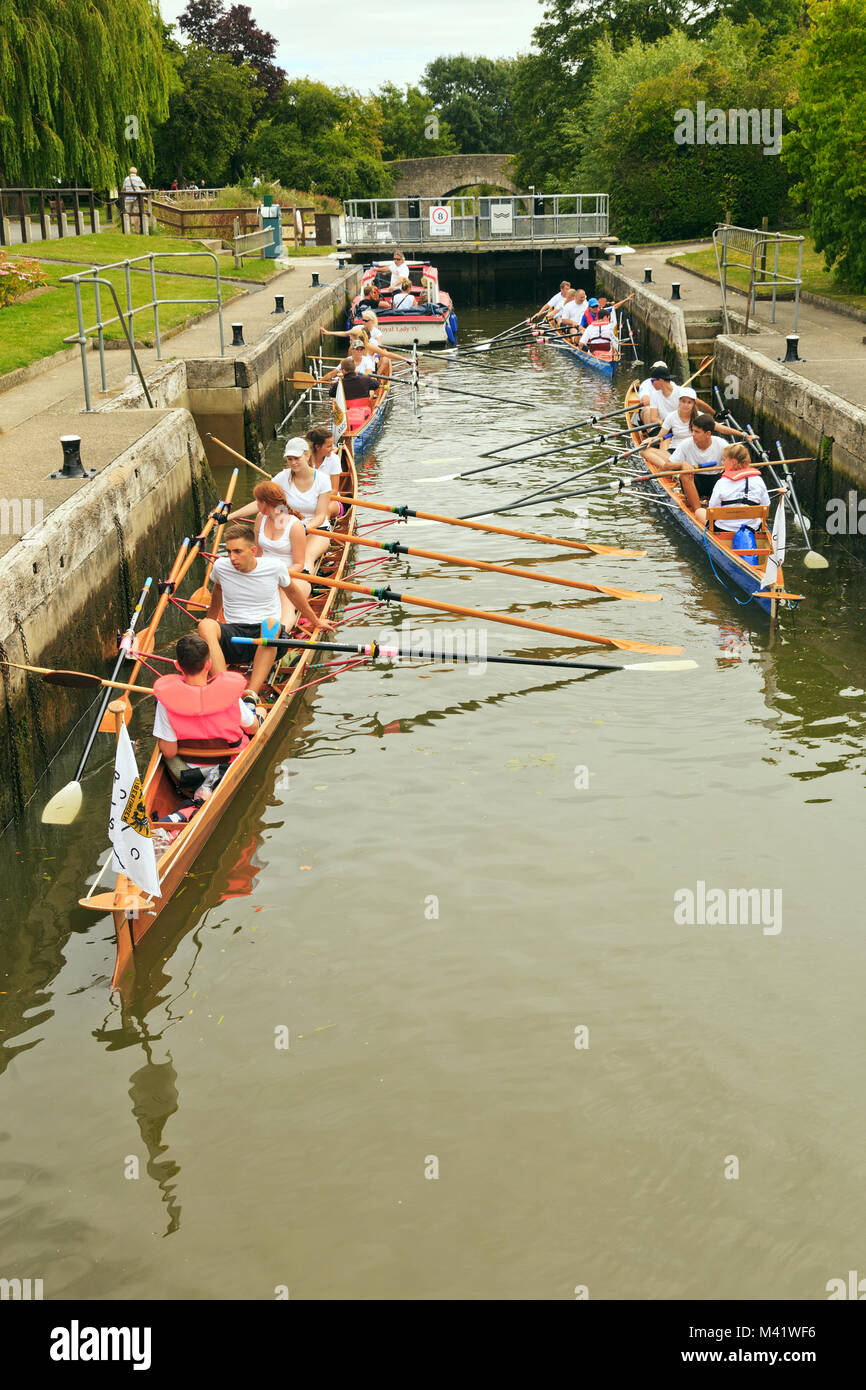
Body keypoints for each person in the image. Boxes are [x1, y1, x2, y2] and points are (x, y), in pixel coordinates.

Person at [198, 524, 333, 700]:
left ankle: (252, 693)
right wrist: (210, 624)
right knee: (205, 625)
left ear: (253, 550)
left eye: (238, 551)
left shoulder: (274, 567)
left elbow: (293, 593)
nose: (232, 557)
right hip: (233, 636)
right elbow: (218, 590)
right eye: (229, 552)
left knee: (271, 623)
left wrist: (315, 621)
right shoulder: (220, 567)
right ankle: (225, 686)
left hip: (267, 637)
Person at [250, 480, 308, 628]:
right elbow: (257, 552)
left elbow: (299, 564)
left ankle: (281, 635)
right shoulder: (260, 518)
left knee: (285, 607)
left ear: (266, 503)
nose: (256, 504)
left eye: (257, 501)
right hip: (264, 572)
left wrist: (276, 575)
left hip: (290, 575)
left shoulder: (295, 526)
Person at [695, 443, 771, 534]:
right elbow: (766, 505)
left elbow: (712, 508)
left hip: (723, 529)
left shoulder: (722, 482)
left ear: (733, 462)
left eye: (724, 460)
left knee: (698, 511)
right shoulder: (759, 480)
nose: (722, 463)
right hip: (752, 529)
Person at [664, 414, 731, 512]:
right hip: (695, 482)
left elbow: (735, 464)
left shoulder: (721, 444)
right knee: (685, 475)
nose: (693, 434)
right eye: (693, 430)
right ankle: (698, 511)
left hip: (715, 481)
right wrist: (682, 464)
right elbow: (667, 465)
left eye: (697, 432)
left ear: (708, 434)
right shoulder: (686, 444)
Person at [306, 425, 347, 523]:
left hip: (332, 500)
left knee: (324, 511)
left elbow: (334, 489)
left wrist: (317, 500)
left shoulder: (334, 459)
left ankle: (324, 534)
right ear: (317, 447)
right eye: (329, 446)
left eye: (332, 445)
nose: (332, 448)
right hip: (309, 500)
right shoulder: (306, 460)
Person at [122, 166, 146, 230]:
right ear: (136, 172)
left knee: (127, 213)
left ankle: (128, 229)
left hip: (127, 198)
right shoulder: (138, 178)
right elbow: (144, 187)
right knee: (136, 214)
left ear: (130, 172)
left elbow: (123, 188)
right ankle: (137, 230)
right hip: (136, 198)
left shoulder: (126, 179)